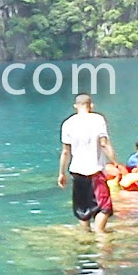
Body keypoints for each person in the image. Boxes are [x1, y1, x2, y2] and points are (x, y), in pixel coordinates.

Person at [57, 94, 118, 233]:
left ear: (75, 106)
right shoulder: (98, 119)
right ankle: (100, 235)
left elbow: (66, 152)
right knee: (104, 207)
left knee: (83, 211)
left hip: (76, 172)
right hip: (94, 172)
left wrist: (61, 173)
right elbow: (104, 144)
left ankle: (86, 239)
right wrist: (115, 162)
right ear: (91, 106)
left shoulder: (67, 124)